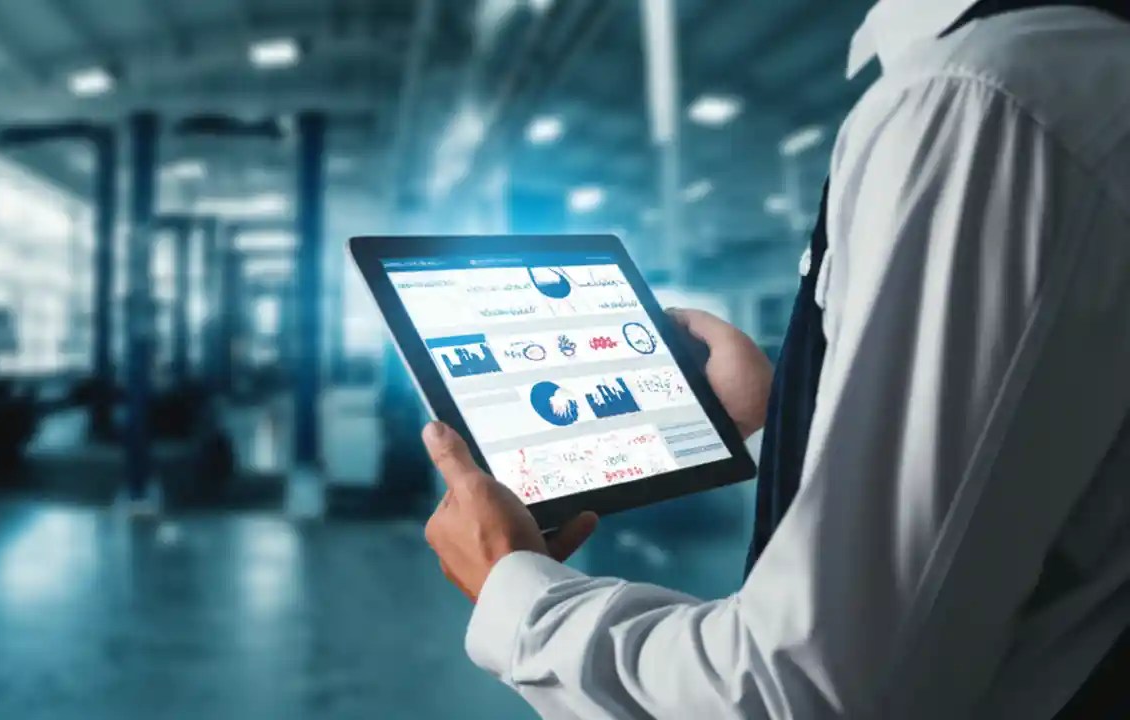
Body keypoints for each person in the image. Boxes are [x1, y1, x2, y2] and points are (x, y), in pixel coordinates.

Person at [420, 0, 1130, 717]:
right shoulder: (1072, 60)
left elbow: (807, 691)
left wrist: (518, 597)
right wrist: (790, 406)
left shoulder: (973, 104)